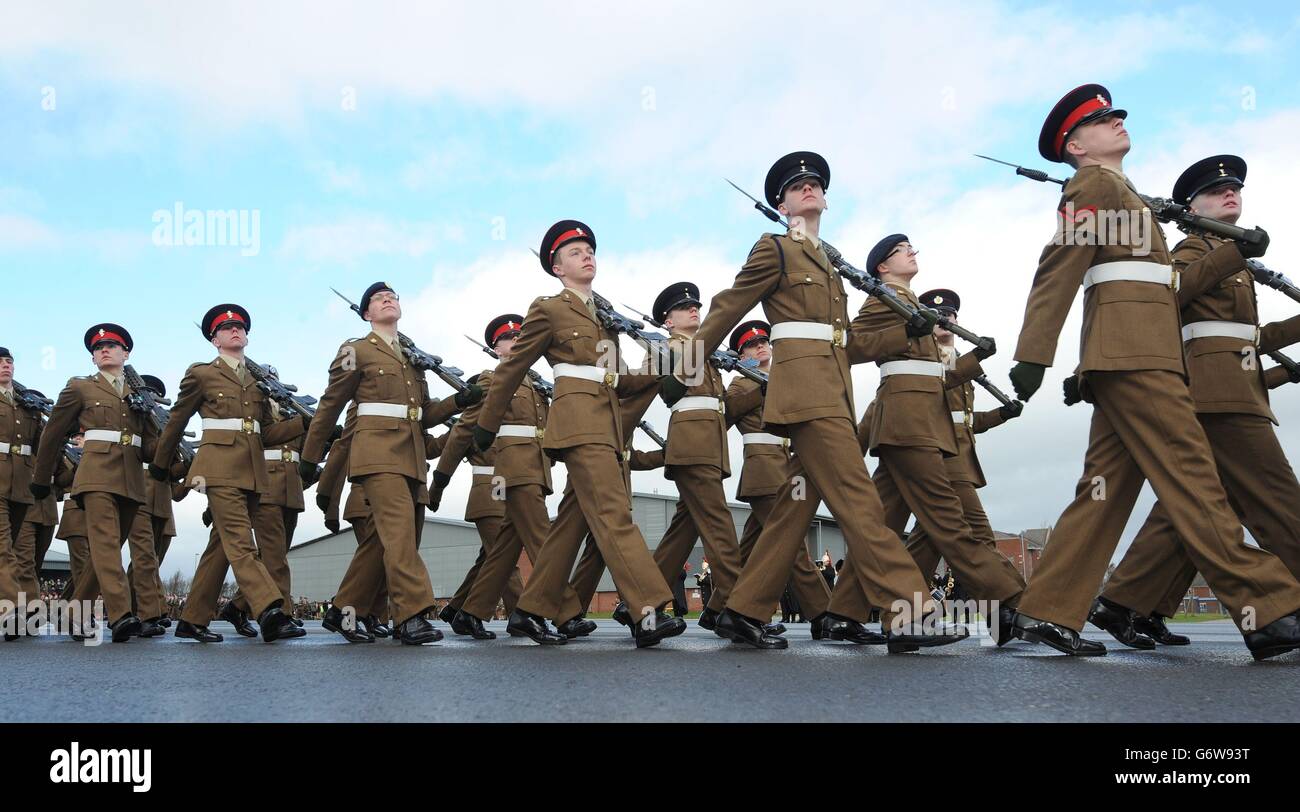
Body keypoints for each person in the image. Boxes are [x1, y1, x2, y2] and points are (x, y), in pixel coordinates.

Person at [1006, 85, 1300, 659]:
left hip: (1132, 352)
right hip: (1136, 354)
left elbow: (1162, 287)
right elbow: (1060, 261)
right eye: (1101, 119)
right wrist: (1033, 353)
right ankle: (1268, 608)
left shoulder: (1122, 192)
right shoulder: (1094, 184)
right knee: (1194, 480)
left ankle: (1046, 610)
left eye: (1115, 114)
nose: (1116, 121)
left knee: (1104, 492)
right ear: (1076, 145)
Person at [688, 151, 967, 652]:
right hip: (807, 395)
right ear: (782, 203)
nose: (808, 188)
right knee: (859, 501)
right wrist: (681, 363)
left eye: (815, 183)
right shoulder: (775, 248)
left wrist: (907, 328)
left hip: (833, 390)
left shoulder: (830, 261)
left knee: (794, 510)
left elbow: (847, 343)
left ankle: (743, 610)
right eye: (797, 186)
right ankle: (909, 612)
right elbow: (728, 305)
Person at [1095, 154, 1300, 648]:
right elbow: (1172, 293)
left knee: (1197, 505)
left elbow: (1244, 336)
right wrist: (1232, 253)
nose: (1230, 195)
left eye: (1235, 190)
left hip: (1235, 389)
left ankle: (1125, 602)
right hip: (1215, 396)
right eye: (1216, 192)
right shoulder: (1191, 248)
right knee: (1278, 499)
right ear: (1193, 207)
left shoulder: (1228, 254)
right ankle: (1271, 612)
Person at [470, 220, 684, 647]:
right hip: (576, 423)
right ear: (556, 267)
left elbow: (618, 380)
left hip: (604, 423)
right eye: (575, 252)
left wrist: (658, 369)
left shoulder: (605, 321)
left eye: (589, 249)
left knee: (573, 522)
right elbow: (512, 369)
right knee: (612, 511)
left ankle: (530, 610)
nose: (587, 255)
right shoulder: (548, 308)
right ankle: (647, 611)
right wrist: (485, 425)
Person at [301, 283, 476, 645]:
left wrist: (459, 400)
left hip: (410, 456)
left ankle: (343, 612)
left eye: (393, 296)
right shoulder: (356, 350)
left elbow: (423, 415)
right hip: (376, 453)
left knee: (385, 541)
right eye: (379, 299)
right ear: (366, 314)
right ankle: (410, 616)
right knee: (398, 536)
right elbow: (330, 404)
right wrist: (309, 455)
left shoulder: (412, 359)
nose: (388, 299)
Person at [153, 305, 306, 643]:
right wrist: (161, 466)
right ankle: (269, 610)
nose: (235, 331)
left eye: (239, 327)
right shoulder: (202, 373)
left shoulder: (257, 381)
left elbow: (267, 433)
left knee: (221, 547)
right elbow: (177, 420)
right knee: (241, 543)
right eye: (227, 328)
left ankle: (191, 620)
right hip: (218, 468)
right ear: (215, 338)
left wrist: (305, 423)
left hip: (252, 472)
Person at [33, 326, 157, 642]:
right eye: (98, 347)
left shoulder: (140, 395)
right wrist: (41, 478)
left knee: (108, 549)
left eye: (112, 345)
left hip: (131, 478)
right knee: (104, 544)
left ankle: (73, 612)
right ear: (93, 356)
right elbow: (53, 433)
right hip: (96, 475)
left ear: (126, 353)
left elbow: (152, 444)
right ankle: (120, 615)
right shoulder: (80, 388)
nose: (104, 349)